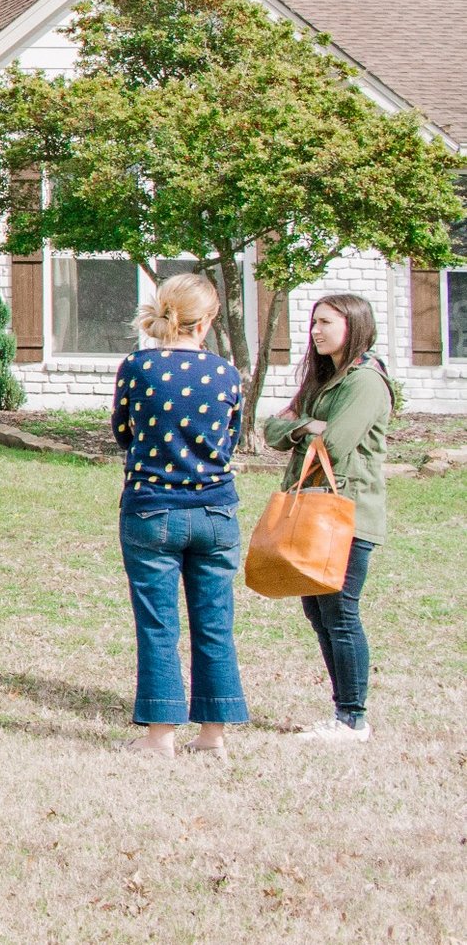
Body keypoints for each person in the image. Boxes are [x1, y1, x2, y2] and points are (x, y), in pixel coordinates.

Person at [110, 271, 247, 755]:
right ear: (206, 321)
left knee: (158, 624)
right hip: (215, 511)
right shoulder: (226, 374)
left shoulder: (137, 367)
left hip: (153, 509)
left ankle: (161, 736)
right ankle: (213, 735)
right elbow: (229, 441)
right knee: (215, 622)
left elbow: (123, 432)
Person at [263, 292, 393, 745]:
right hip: (314, 511)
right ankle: (343, 714)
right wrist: (304, 427)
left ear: (353, 326)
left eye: (326, 323)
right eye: (314, 323)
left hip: (347, 514)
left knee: (339, 613)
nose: (315, 331)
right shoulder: (324, 380)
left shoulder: (364, 383)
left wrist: (310, 427)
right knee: (318, 612)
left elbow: (334, 445)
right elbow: (273, 429)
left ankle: (352, 718)